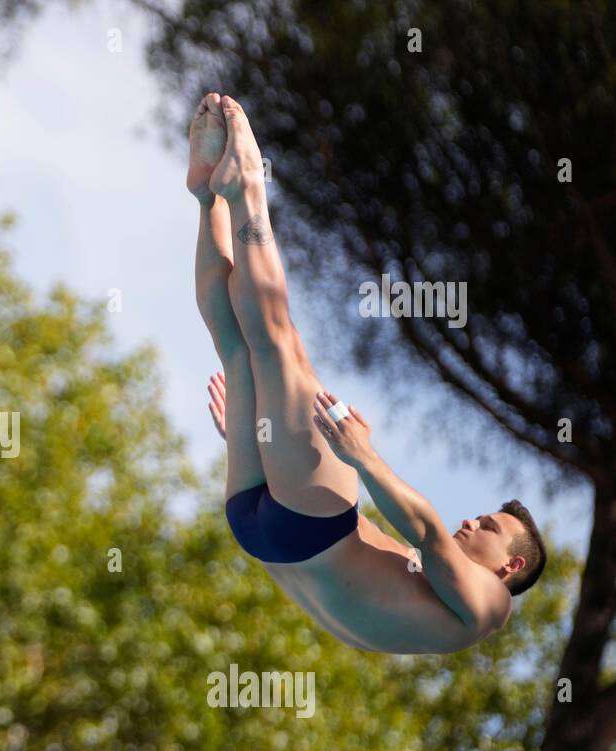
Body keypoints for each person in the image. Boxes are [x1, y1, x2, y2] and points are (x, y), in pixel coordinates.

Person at [190, 93, 545, 653]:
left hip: (309, 528)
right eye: (481, 517)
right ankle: (208, 195)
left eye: (489, 529)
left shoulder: (492, 606)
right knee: (239, 350)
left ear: (512, 566)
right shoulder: (430, 589)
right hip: (261, 529)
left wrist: (363, 455)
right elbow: (388, 551)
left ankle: (249, 192)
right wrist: (260, 429)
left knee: (279, 343)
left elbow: (426, 531)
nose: (473, 524)